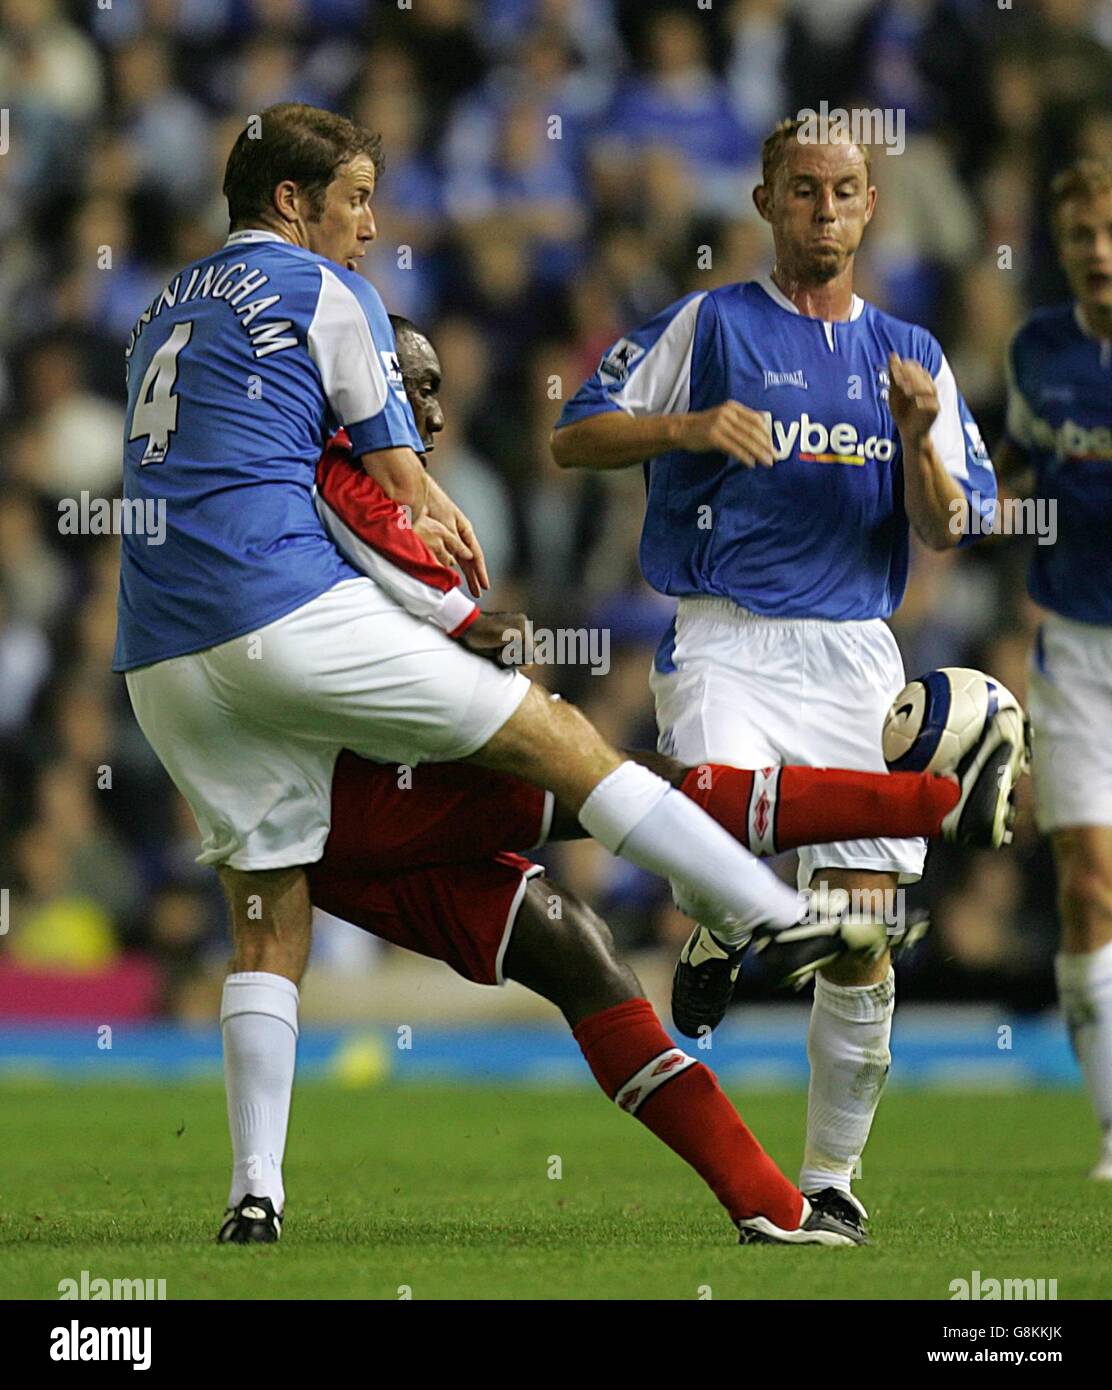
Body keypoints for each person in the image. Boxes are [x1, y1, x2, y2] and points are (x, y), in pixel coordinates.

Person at [113, 104, 833, 1247]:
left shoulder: (160, 307)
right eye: (353, 199)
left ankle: (256, 1193)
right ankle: (773, 912)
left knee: (263, 920)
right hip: (285, 610)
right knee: (557, 740)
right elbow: (391, 466)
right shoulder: (326, 292)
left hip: (160, 653)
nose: (368, 224)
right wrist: (441, 522)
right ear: (292, 204)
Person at [257, 316, 1021, 1250]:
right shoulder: (339, 489)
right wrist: (482, 635)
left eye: (434, 389)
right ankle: (924, 809)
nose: (436, 414)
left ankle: (795, 1200)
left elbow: (963, 519)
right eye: (414, 389)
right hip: (359, 794)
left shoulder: (388, 495)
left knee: (579, 944)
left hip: (386, 806)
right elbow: (502, 547)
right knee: (652, 786)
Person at [550, 116, 1024, 1240]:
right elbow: (576, 435)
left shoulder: (911, 354)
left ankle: (829, 1178)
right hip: (725, 633)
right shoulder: (706, 322)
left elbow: (951, 524)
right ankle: (720, 924)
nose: (823, 209)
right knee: (710, 831)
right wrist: (688, 424)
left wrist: (915, 439)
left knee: (863, 939)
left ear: (870, 208)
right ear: (763, 203)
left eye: (845, 191)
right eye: (802, 189)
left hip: (855, 655)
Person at [997, 158, 1112, 1181]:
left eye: (1109, 232)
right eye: (1080, 234)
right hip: (1076, 647)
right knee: (1085, 885)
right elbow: (1015, 469)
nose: (1098, 252)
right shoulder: (1035, 352)